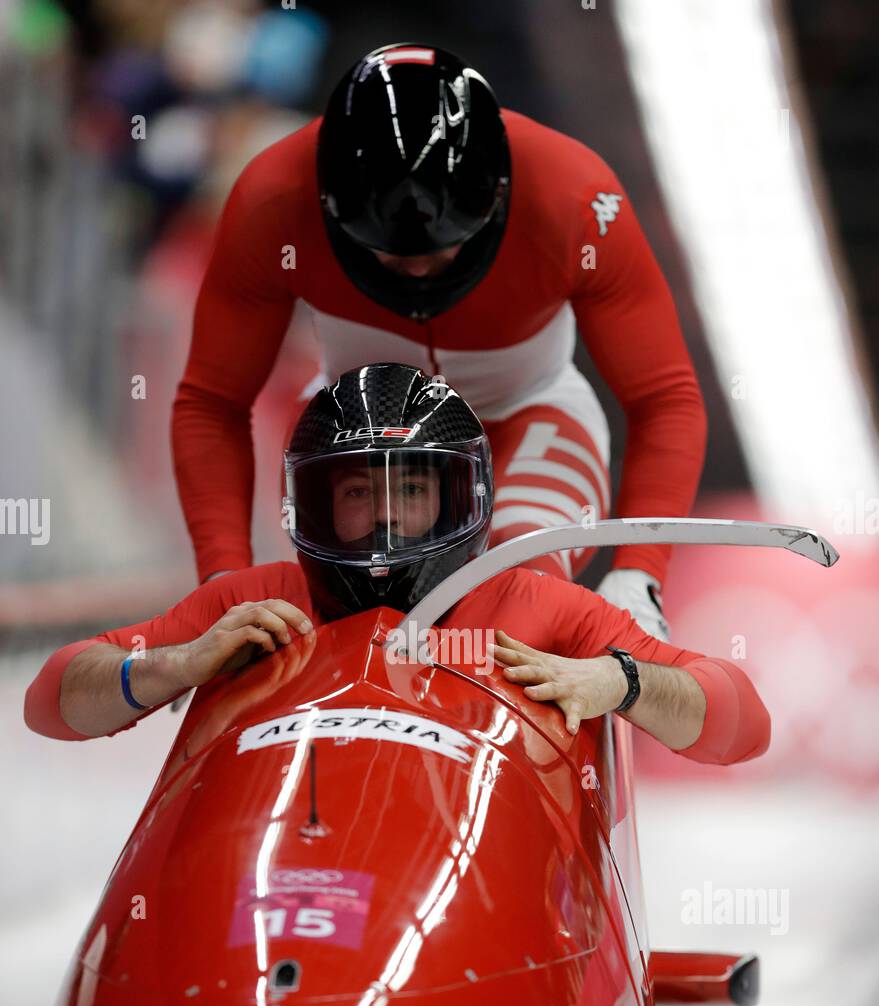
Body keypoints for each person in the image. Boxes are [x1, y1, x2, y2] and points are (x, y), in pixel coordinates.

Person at [172, 43, 707, 639]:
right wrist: (222, 580)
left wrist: (639, 574)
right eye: (390, 254)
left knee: (520, 594)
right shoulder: (271, 200)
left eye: (442, 247)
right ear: (326, 207)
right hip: (356, 440)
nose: (420, 271)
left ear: (499, 195)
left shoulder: (574, 197)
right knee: (344, 612)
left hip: (526, 414)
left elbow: (664, 399)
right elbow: (212, 402)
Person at [27, 365, 765, 766]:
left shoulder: (544, 610)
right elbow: (53, 702)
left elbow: (740, 722)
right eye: (355, 490)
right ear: (311, 504)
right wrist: (170, 667)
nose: (385, 517)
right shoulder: (253, 605)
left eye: (410, 488)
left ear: (458, 495)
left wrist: (622, 679)